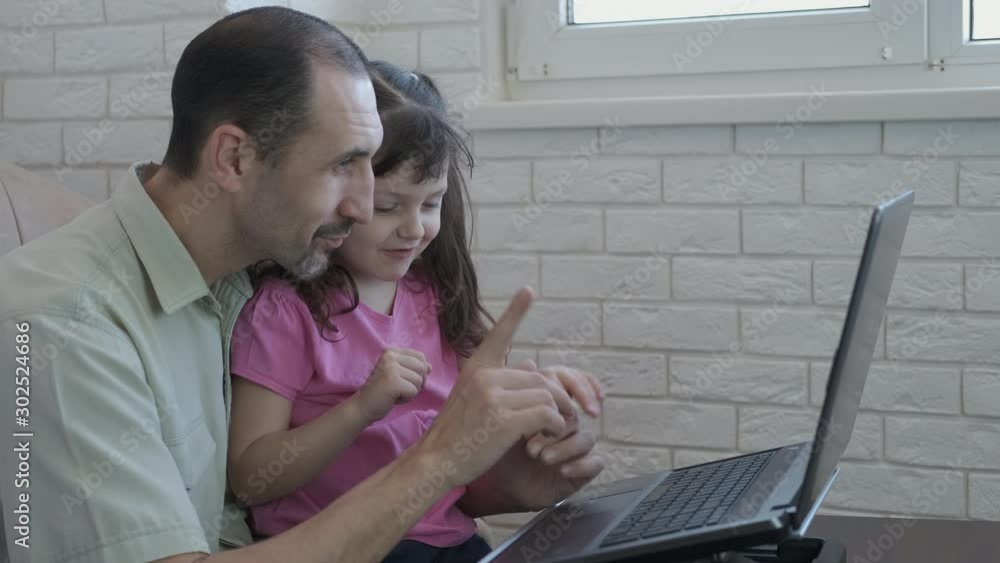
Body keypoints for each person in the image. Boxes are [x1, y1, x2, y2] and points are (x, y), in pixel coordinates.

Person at [0, 7, 604, 563]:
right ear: (234, 159)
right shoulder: (61, 320)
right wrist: (436, 459)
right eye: (343, 164)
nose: (367, 207)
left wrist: (503, 480)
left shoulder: (239, 278)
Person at [226, 60, 605, 563]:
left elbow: (468, 461)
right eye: (387, 207)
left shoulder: (436, 296)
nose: (413, 229)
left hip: (451, 540)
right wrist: (361, 409)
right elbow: (252, 479)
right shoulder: (285, 310)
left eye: (431, 204)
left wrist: (536, 415)